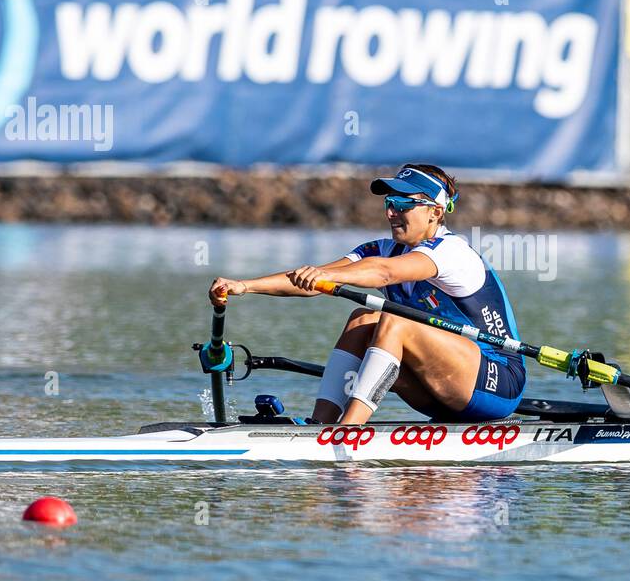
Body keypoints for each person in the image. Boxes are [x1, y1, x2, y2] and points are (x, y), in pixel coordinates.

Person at [208, 164, 526, 425]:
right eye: (389, 204)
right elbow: (313, 280)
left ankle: (349, 430)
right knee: (363, 318)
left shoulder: (452, 252)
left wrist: (328, 276)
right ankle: (322, 425)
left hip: (496, 381)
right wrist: (245, 286)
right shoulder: (383, 249)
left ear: (435, 212)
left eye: (403, 204)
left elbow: (385, 272)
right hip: (441, 389)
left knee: (394, 321)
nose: (391, 213)